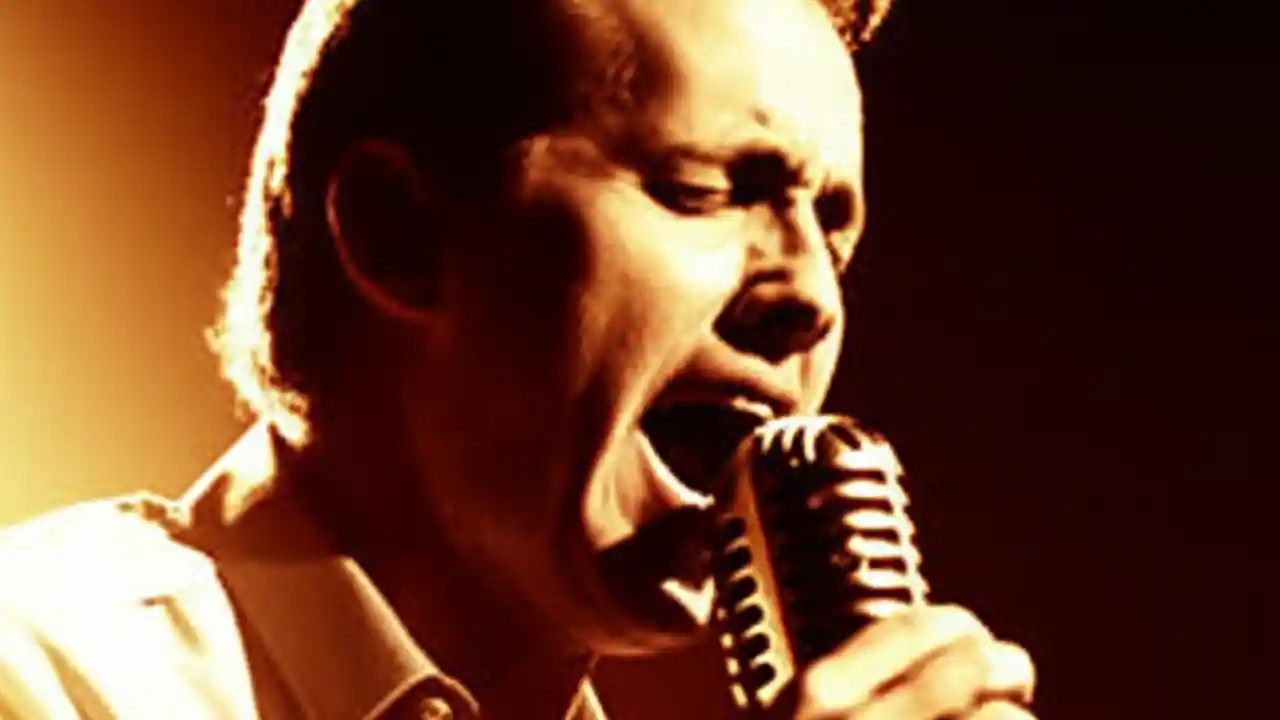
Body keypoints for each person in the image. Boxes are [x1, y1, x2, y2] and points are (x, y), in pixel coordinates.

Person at [0, 0, 1038, 718]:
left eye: (835, 233)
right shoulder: (48, 670)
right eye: (705, 190)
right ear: (399, 234)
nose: (810, 295)